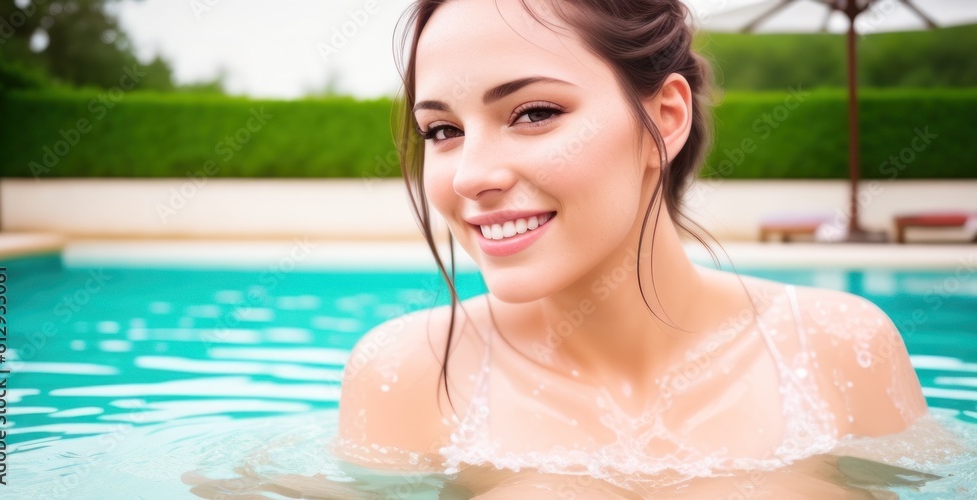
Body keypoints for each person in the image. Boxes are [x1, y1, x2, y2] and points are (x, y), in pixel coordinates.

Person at [335, 0, 929, 495]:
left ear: (666, 119)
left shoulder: (841, 350)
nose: (469, 176)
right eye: (443, 131)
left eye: (534, 113)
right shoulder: (405, 374)